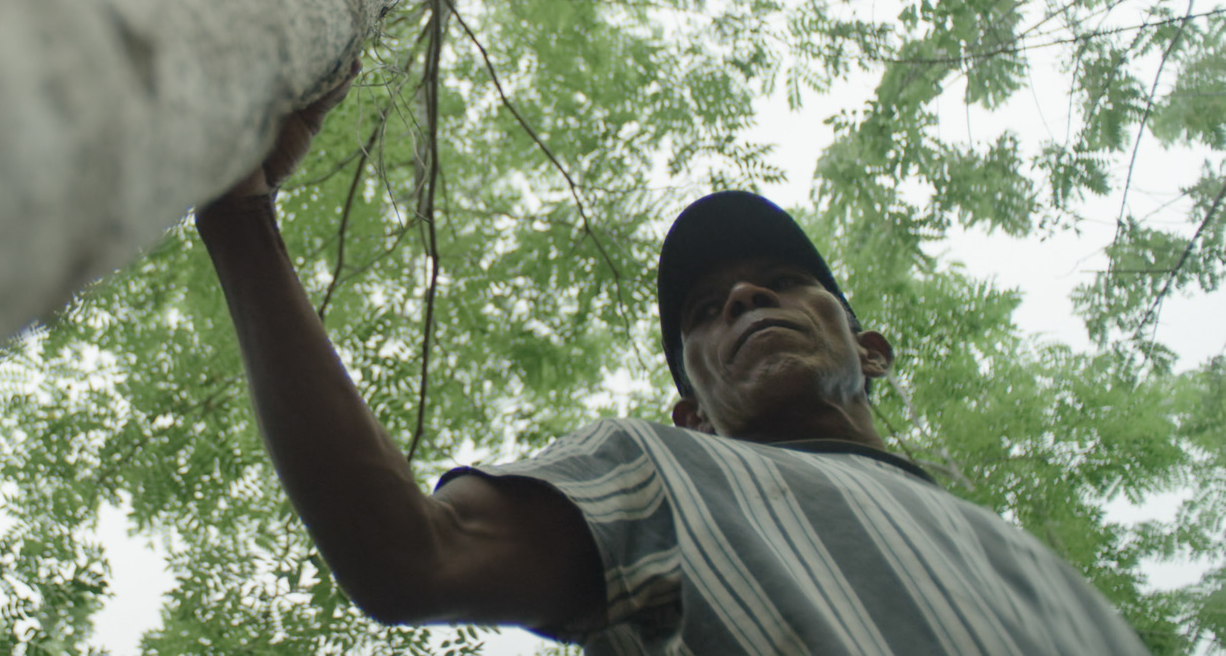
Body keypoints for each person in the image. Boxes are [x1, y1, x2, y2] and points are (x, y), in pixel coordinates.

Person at [195, 69, 1150, 655]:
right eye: (705, 309)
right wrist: (239, 217)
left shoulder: (1041, 574)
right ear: (690, 407)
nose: (742, 299)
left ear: (868, 347)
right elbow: (412, 558)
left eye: (777, 280)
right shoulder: (662, 477)